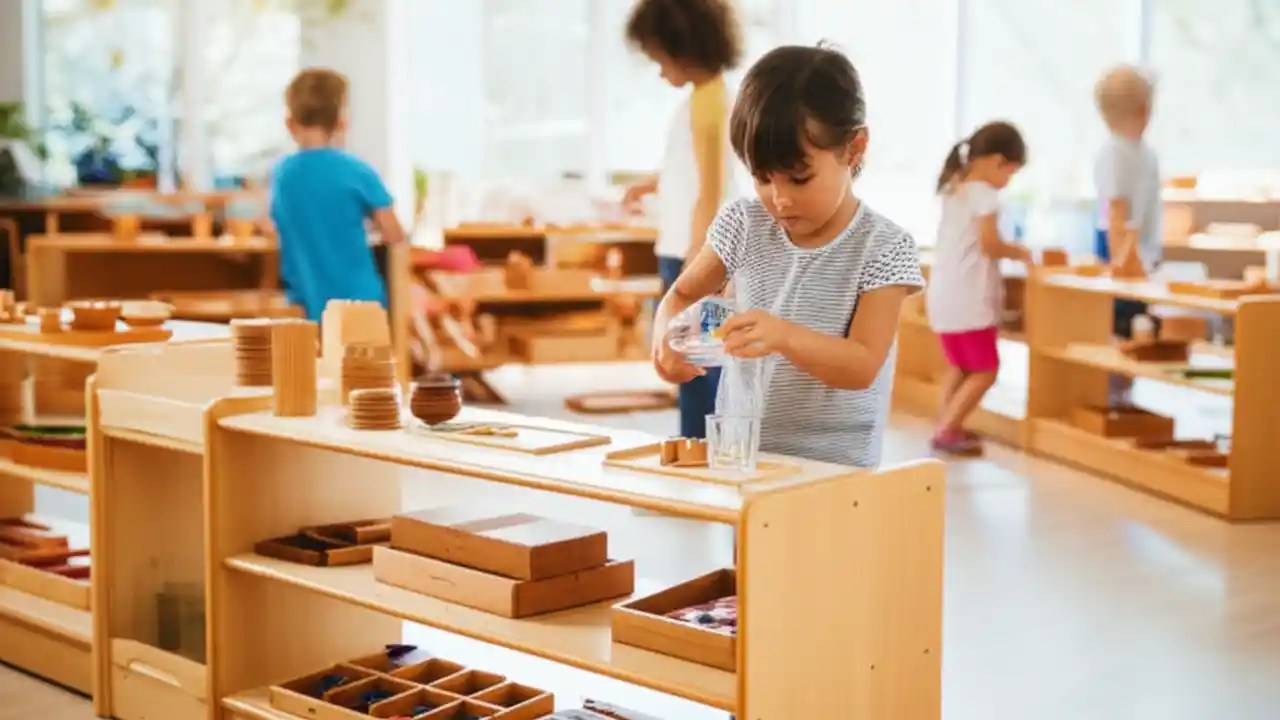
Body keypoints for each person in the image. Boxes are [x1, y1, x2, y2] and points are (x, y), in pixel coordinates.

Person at [651, 44, 925, 468]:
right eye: (762, 177)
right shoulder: (742, 223)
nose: (779, 199)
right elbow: (682, 295)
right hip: (744, 461)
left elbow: (863, 364)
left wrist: (783, 336)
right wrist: (664, 340)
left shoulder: (885, 247)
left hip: (837, 473)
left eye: (799, 178)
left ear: (854, 149)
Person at [623, 0, 744, 440]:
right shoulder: (705, 98)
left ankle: (702, 449)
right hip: (685, 248)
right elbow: (690, 169)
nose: (659, 72)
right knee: (690, 359)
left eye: (660, 60)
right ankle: (697, 446)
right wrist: (650, 184)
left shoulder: (709, 103)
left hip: (693, 253)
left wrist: (700, 260)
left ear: (686, 49)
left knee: (695, 361)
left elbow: (711, 187)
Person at [926, 121, 1032, 455]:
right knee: (986, 370)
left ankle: (948, 422)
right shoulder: (985, 194)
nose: (1007, 182)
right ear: (997, 161)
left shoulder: (955, 187)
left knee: (959, 366)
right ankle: (946, 430)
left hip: (944, 295)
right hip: (969, 299)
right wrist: (1021, 251)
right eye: (1010, 173)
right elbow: (990, 244)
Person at [270, 68, 406, 322]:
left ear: (290, 123)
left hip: (306, 308)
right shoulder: (357, 171)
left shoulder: (282, 175)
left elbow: (275, 226)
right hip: (361, 306)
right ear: (342, 122)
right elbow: (395, 236)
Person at [1093, 65, 1161, 403]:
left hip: (1138, 252)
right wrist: (1123, 262)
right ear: (1144, 109)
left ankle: (1123, 397)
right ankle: (1112, 398)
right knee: (1119, 326)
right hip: (1118, 250)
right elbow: (1115, 211)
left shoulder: (1143, 153)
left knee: (1135, 326)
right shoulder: (1115, 152)